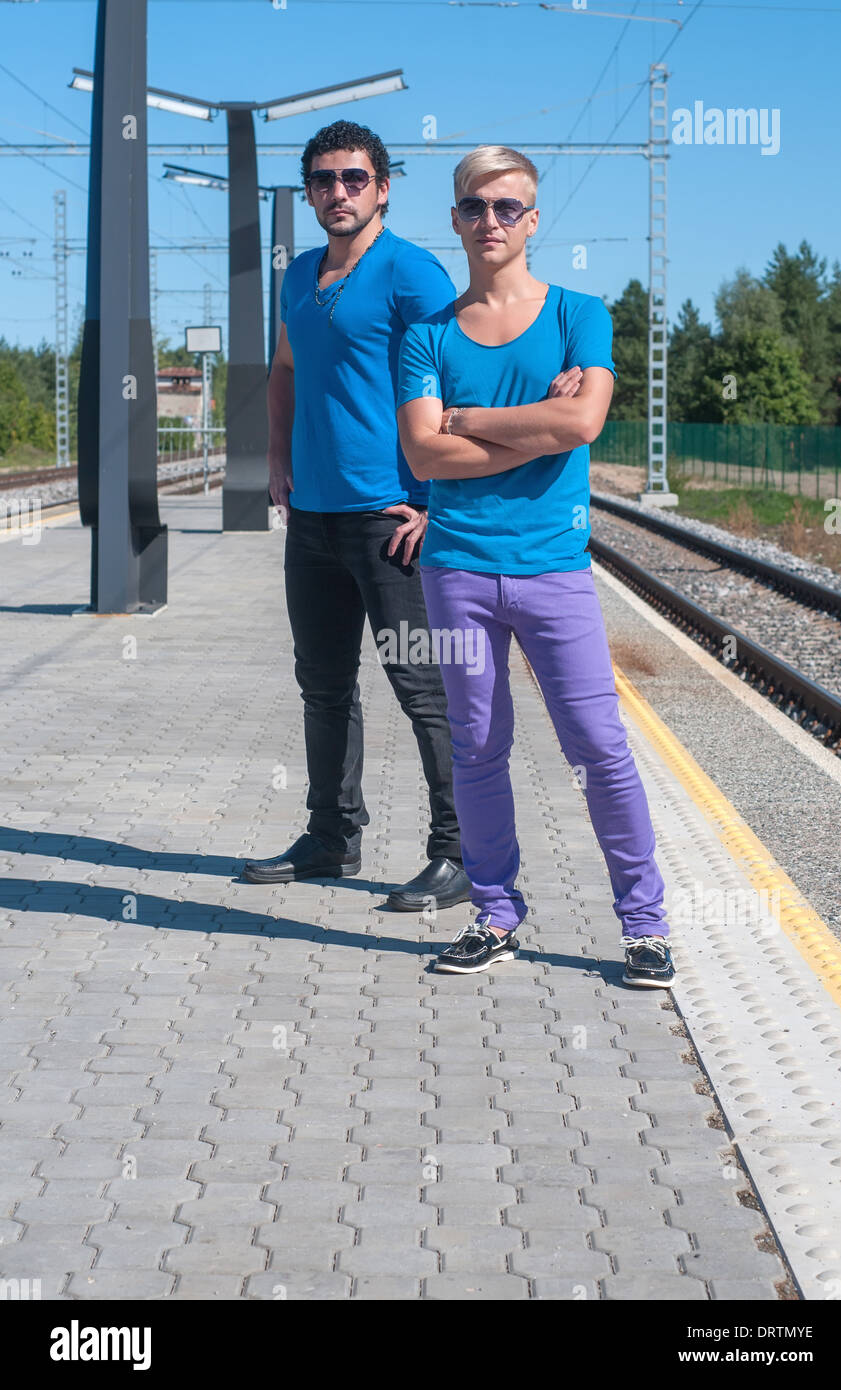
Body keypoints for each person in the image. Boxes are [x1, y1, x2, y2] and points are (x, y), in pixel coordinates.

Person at [396, 144, 674, 986]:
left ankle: (644, 926)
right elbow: (423, 453)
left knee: (598, 746)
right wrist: (523, 424)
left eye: (507, 207)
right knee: (477, 747)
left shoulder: (579, 314)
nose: (491, 221)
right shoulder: (426, 334)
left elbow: (582, 426)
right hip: (457, 569)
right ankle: (494, 913)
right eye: (475, 207)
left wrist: (470, 420)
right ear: (453, 219)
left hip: (554, 567)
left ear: (532, 219)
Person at [242, 120, 472, 913]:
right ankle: (331, 837)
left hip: (391, 517)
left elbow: (458, 377)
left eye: (353, 178)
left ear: (381, 187)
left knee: (423, 688)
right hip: (313, 520)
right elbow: (284, 369)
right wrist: (277, 458)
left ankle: (458, 850)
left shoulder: (413, 272)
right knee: (323, 684)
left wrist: (439, 503)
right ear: (307, 190)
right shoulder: (299, 276)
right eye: (322, 179)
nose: (337, 192)